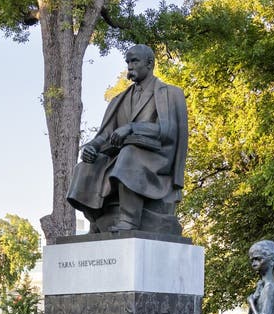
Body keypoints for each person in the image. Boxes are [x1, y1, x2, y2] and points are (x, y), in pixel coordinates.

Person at [67, 44, 188, 234]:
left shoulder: (169, 93)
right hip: (122, 156)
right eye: (127, 62)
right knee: (86, 166)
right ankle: (97, 220)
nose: (129, 66)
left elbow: (169, 130)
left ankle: (129, 220)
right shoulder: (119, 100)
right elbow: (106, 134)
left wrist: (132, 128)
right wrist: (92, 146)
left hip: (157, 158)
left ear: (149, 64)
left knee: (129, 154)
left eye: (134, 61)